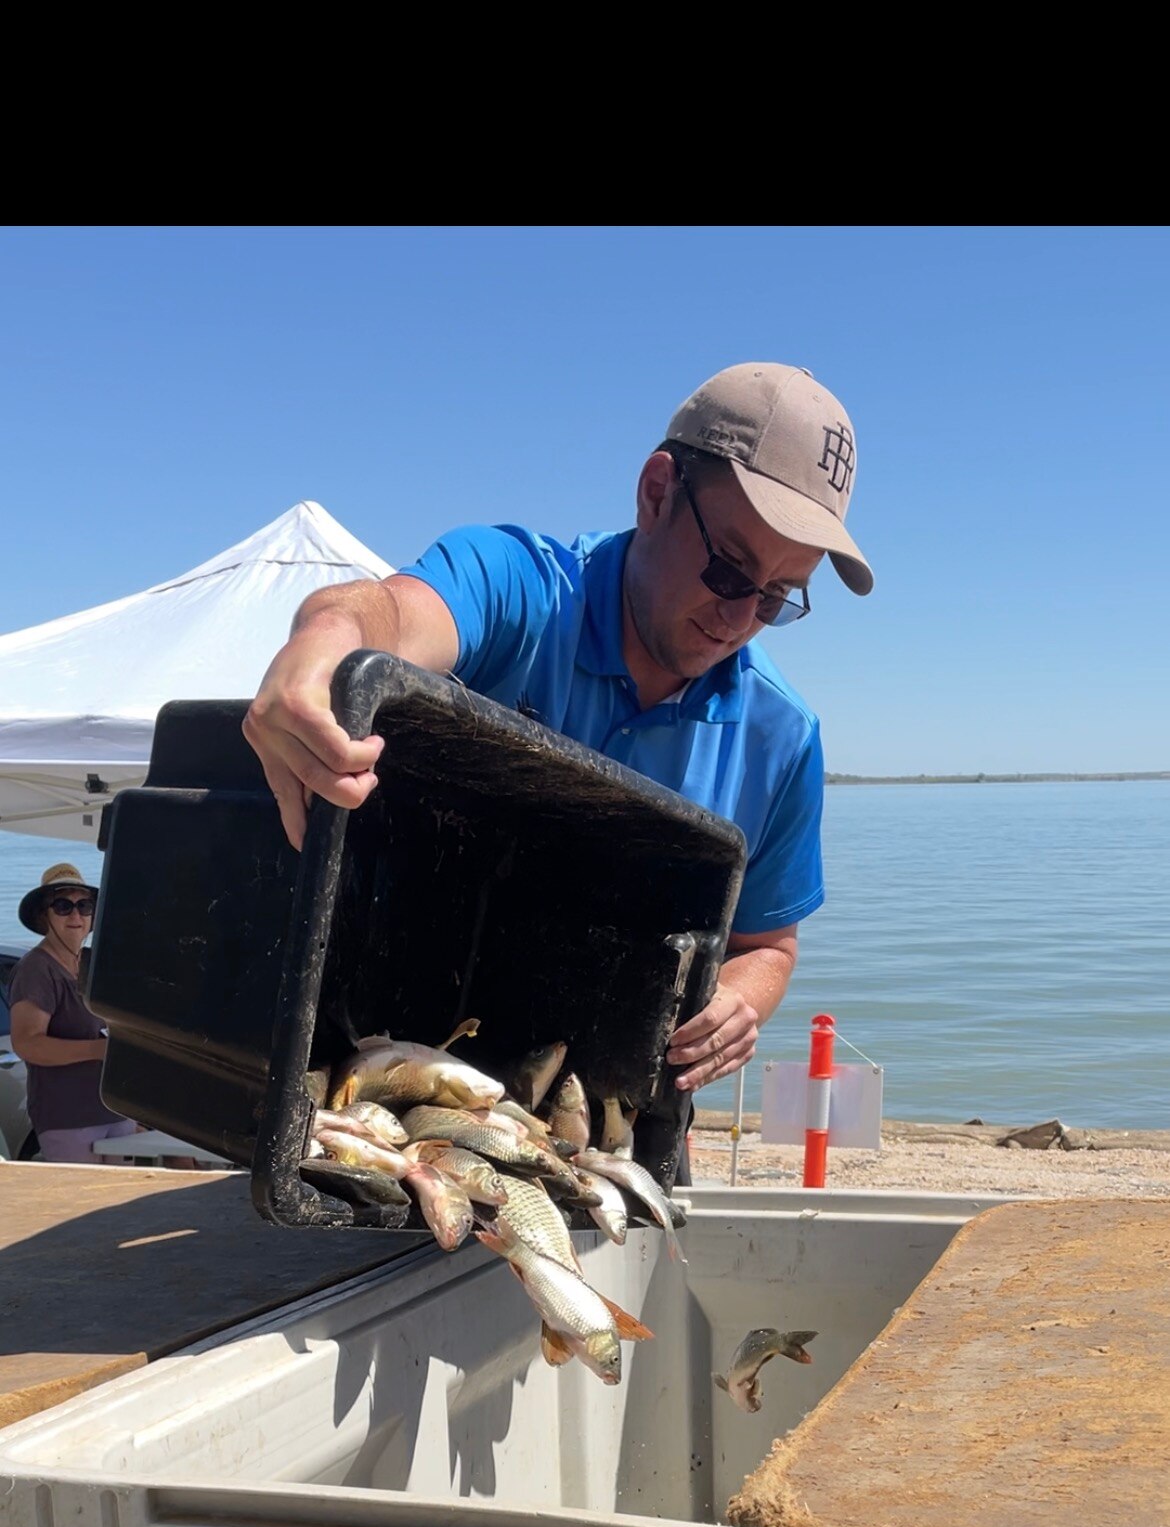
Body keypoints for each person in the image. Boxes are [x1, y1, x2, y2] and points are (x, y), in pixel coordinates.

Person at [243, 362, 872, 1172]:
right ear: (655, 492)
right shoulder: (523, 590)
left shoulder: (783, 736)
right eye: (729, 571)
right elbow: (389, 612)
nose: (740, 618)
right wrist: (322, 642)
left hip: (612, 1128)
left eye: (779, 598)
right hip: (395, 1070)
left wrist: (739, 1004)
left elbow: (768, 943)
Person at [8, 863, 138, 1163]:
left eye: (84, 906)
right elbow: (27, 1043)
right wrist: (98, 1049)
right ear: (45, 916)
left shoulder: (91, 966)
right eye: (63, 906)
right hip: (69, 1119)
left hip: (115, 1110)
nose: (76, 915)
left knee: (120, 1206)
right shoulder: (36, 969)